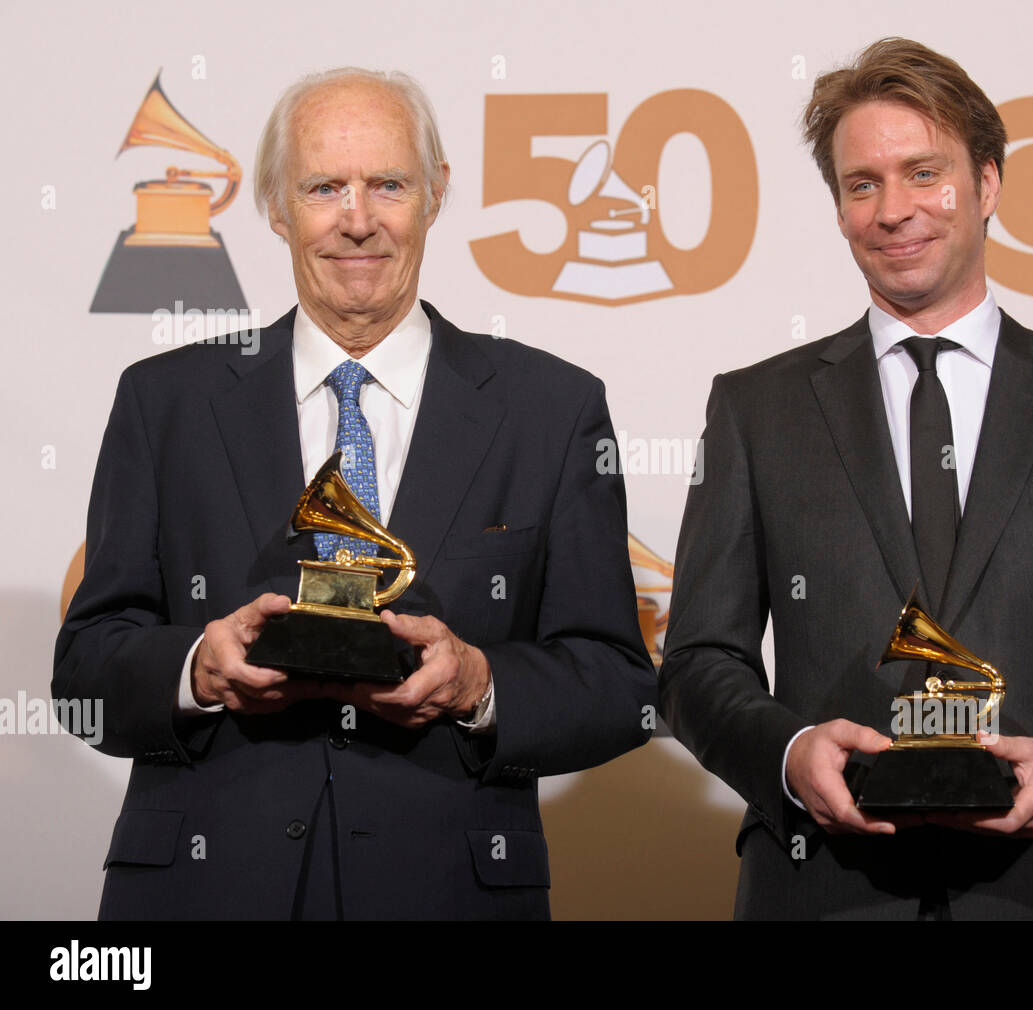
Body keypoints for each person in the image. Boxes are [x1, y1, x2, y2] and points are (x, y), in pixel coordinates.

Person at [53, 68, 656, 920]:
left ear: (436, 195)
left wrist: (480, 681)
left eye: (389, 185)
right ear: (274, 205)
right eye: (324, 187)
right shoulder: (164, 402)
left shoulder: (552, 409)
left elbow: (619, 687)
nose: (358, 219)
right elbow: (85, 672)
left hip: (449, 892)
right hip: (202, 890)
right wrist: (198, 668)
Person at [659, 37, 1033, 919]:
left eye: (924, 173)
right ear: (840, 207)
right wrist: (791, 751)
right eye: (862, 183)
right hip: (820, 890)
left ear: (988, 184)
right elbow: (697, 662)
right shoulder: (753, 410)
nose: (893, 210)